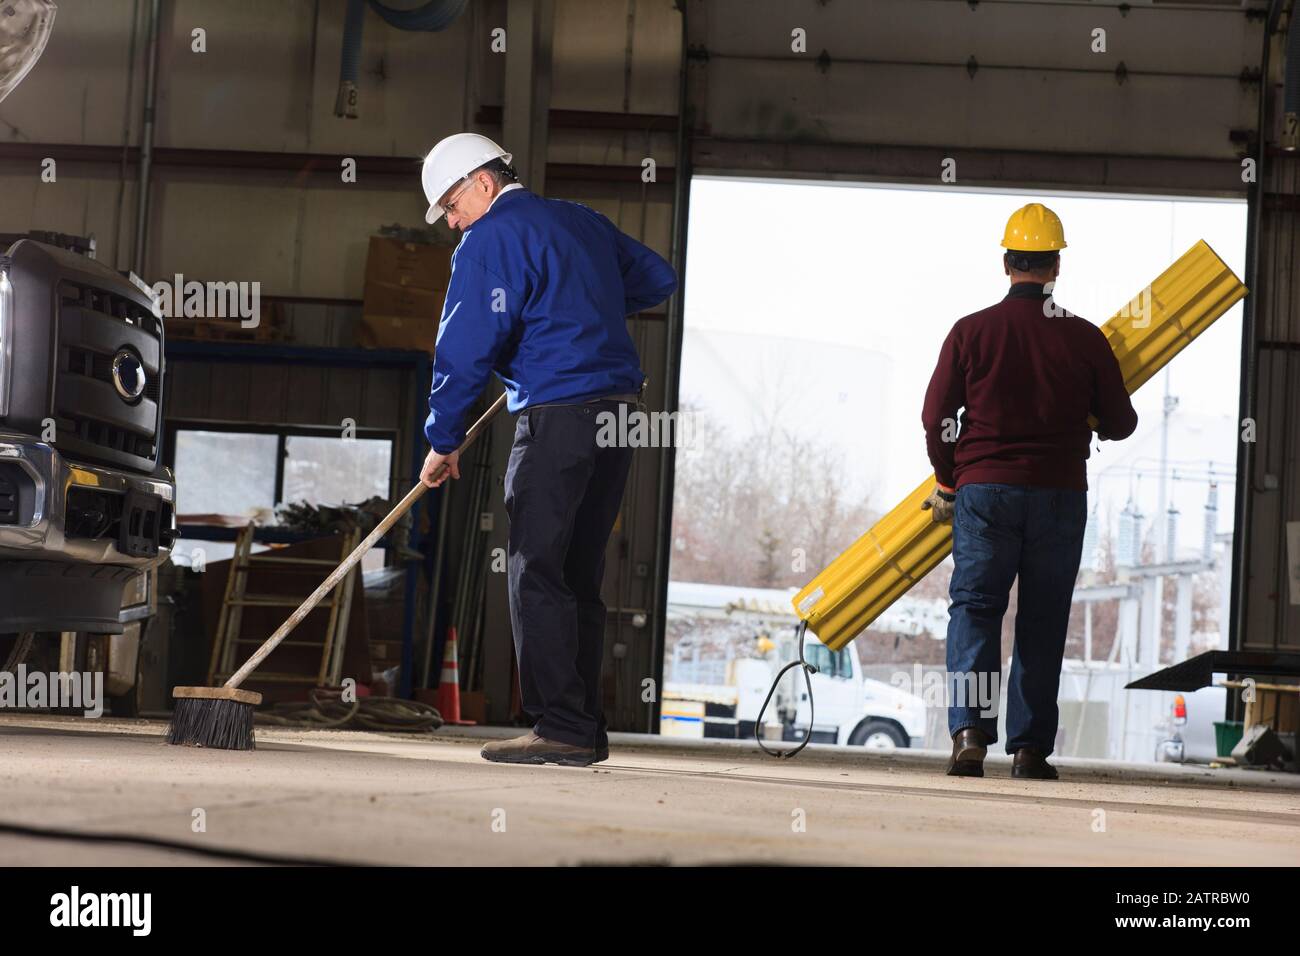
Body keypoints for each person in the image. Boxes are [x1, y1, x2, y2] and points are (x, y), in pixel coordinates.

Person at [418, 133, 677, 767]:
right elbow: (657, 278)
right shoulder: (580, 220)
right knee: (577, 575)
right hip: (618, 417)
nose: (452, 223)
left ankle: (559, 726)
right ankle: (582, 729)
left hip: (557, 417)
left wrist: (442, 439)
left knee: (536, 569)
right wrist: (584, 303)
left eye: (452, 205)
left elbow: (463, 350)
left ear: (483, 182)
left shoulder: (488, 242)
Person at [920, 202, 1138, 780]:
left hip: (984, 491)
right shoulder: (1085, 338)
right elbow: (1121, 423)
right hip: (1058, 496)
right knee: (1043, 618)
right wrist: (1086, 415)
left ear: (1005, 262)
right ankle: (1030, 750)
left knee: (975, 610)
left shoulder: (970, 331)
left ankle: (969, 733)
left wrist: (948, 480)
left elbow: (935, 414)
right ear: (1056, 267)